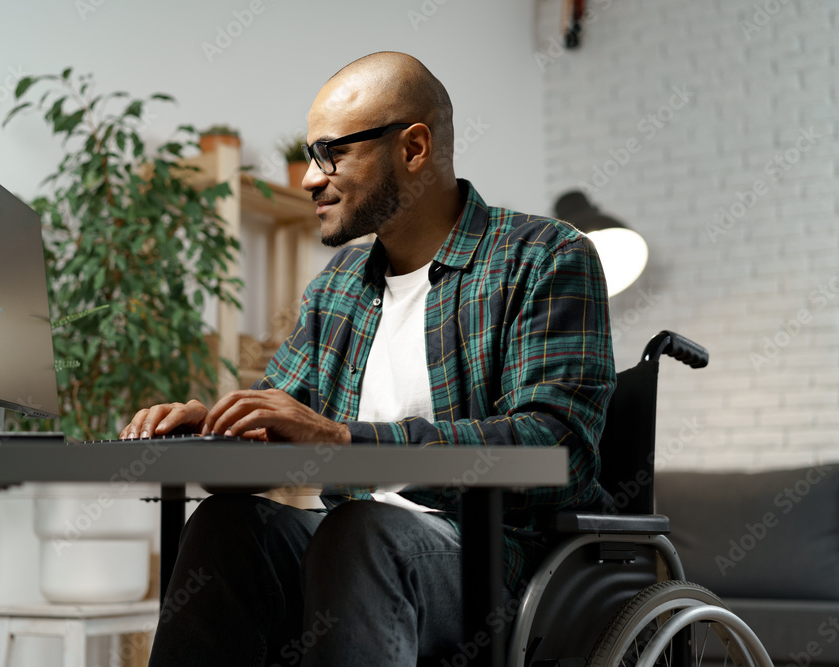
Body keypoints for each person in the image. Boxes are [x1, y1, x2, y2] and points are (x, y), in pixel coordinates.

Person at [121, 51, 616, 666]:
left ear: (413, 149)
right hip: (352, 553)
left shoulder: (543, 255)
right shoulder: (339, 286)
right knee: (228, 526)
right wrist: (214, 431)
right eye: (308, 156)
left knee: (359, 531)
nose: (309, 178)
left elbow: (557, 446)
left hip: (500, 562)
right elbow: (283, 426)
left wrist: (344, 439)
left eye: (332, 153)